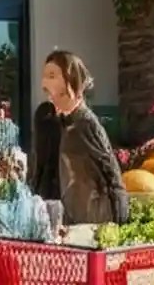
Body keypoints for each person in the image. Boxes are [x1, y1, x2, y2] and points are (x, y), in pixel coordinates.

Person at [33, 50, 129, 225]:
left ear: (70, 80)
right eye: (45, 76)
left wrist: (119, 217)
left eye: (52, 75)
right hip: (67, 220)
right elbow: (45, 169)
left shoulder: (85, 124)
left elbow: (110, 171)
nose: (45, 82)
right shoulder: (53, 121)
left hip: (93, 221)